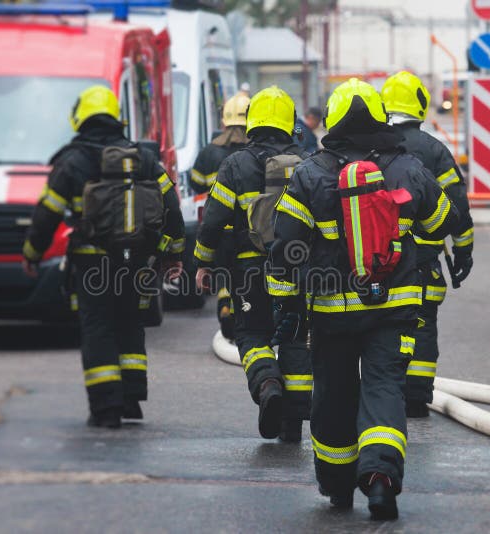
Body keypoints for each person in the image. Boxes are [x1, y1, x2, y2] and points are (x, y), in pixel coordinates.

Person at [267, 78, 460, 518]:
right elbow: (443, 220)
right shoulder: (408, 168)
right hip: (394, 309)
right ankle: (380, 479)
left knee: (333, 393)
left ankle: (337, 485)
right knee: (383, 386)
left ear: (332, 122)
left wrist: (287, 306)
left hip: (331, 313)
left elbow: (285, 249)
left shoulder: (311, 173)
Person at [22, 86, 185, 429]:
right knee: (129, 323)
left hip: (92, 262)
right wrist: (172, 253)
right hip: (137, 261)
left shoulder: (73, 160)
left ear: (80, 117)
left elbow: (47, 212)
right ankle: (131, 400)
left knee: (98, 327)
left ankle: (106, 407)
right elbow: (171, 206)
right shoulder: (142, 158)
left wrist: (32, 253)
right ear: (116, 116)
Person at [193, 86, 312, 443]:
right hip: (297, 270)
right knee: (294, 337)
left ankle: (267, 383)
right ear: (289, 122)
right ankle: (293, 420)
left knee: (251, 334)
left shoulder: (236, 164)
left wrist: (202, 262)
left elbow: (213, 220)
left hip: (249, 271)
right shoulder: (308, 162)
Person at [381, 71, 474, 418]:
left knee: (382, 327)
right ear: (419, 105)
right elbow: (457, 207)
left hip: (377, 260)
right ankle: (416, 396)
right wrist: (464, 251)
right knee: (422, 325)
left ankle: (383, 390)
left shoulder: (371, 147)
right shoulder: (434, 151)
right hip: (423, 263)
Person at [190, 93, 251, 340]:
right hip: (250, 229)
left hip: (219, 228)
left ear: (224, 120)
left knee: (225, 276)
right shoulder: (254, 149)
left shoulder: (209, 153)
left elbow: (196, 184)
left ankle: (226, 307)